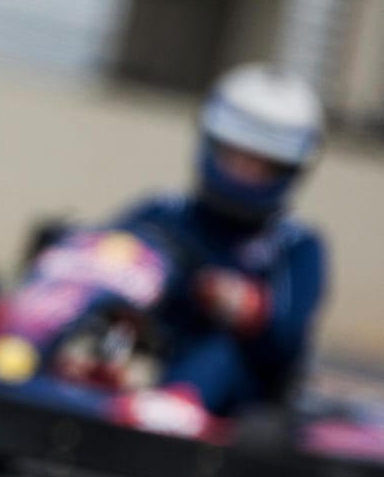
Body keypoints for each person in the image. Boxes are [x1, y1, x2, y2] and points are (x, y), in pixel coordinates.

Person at [110, 63, 327, 417]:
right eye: (235, 157)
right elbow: (106, 256)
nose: (243, 172)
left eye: (260, 165)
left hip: (234, 391)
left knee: (219, 350)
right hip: (142, 353)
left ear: (287, 171)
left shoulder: (296, 244)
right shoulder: (163, 212)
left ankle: (173, 407)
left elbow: (288, 338)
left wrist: (244, 305)